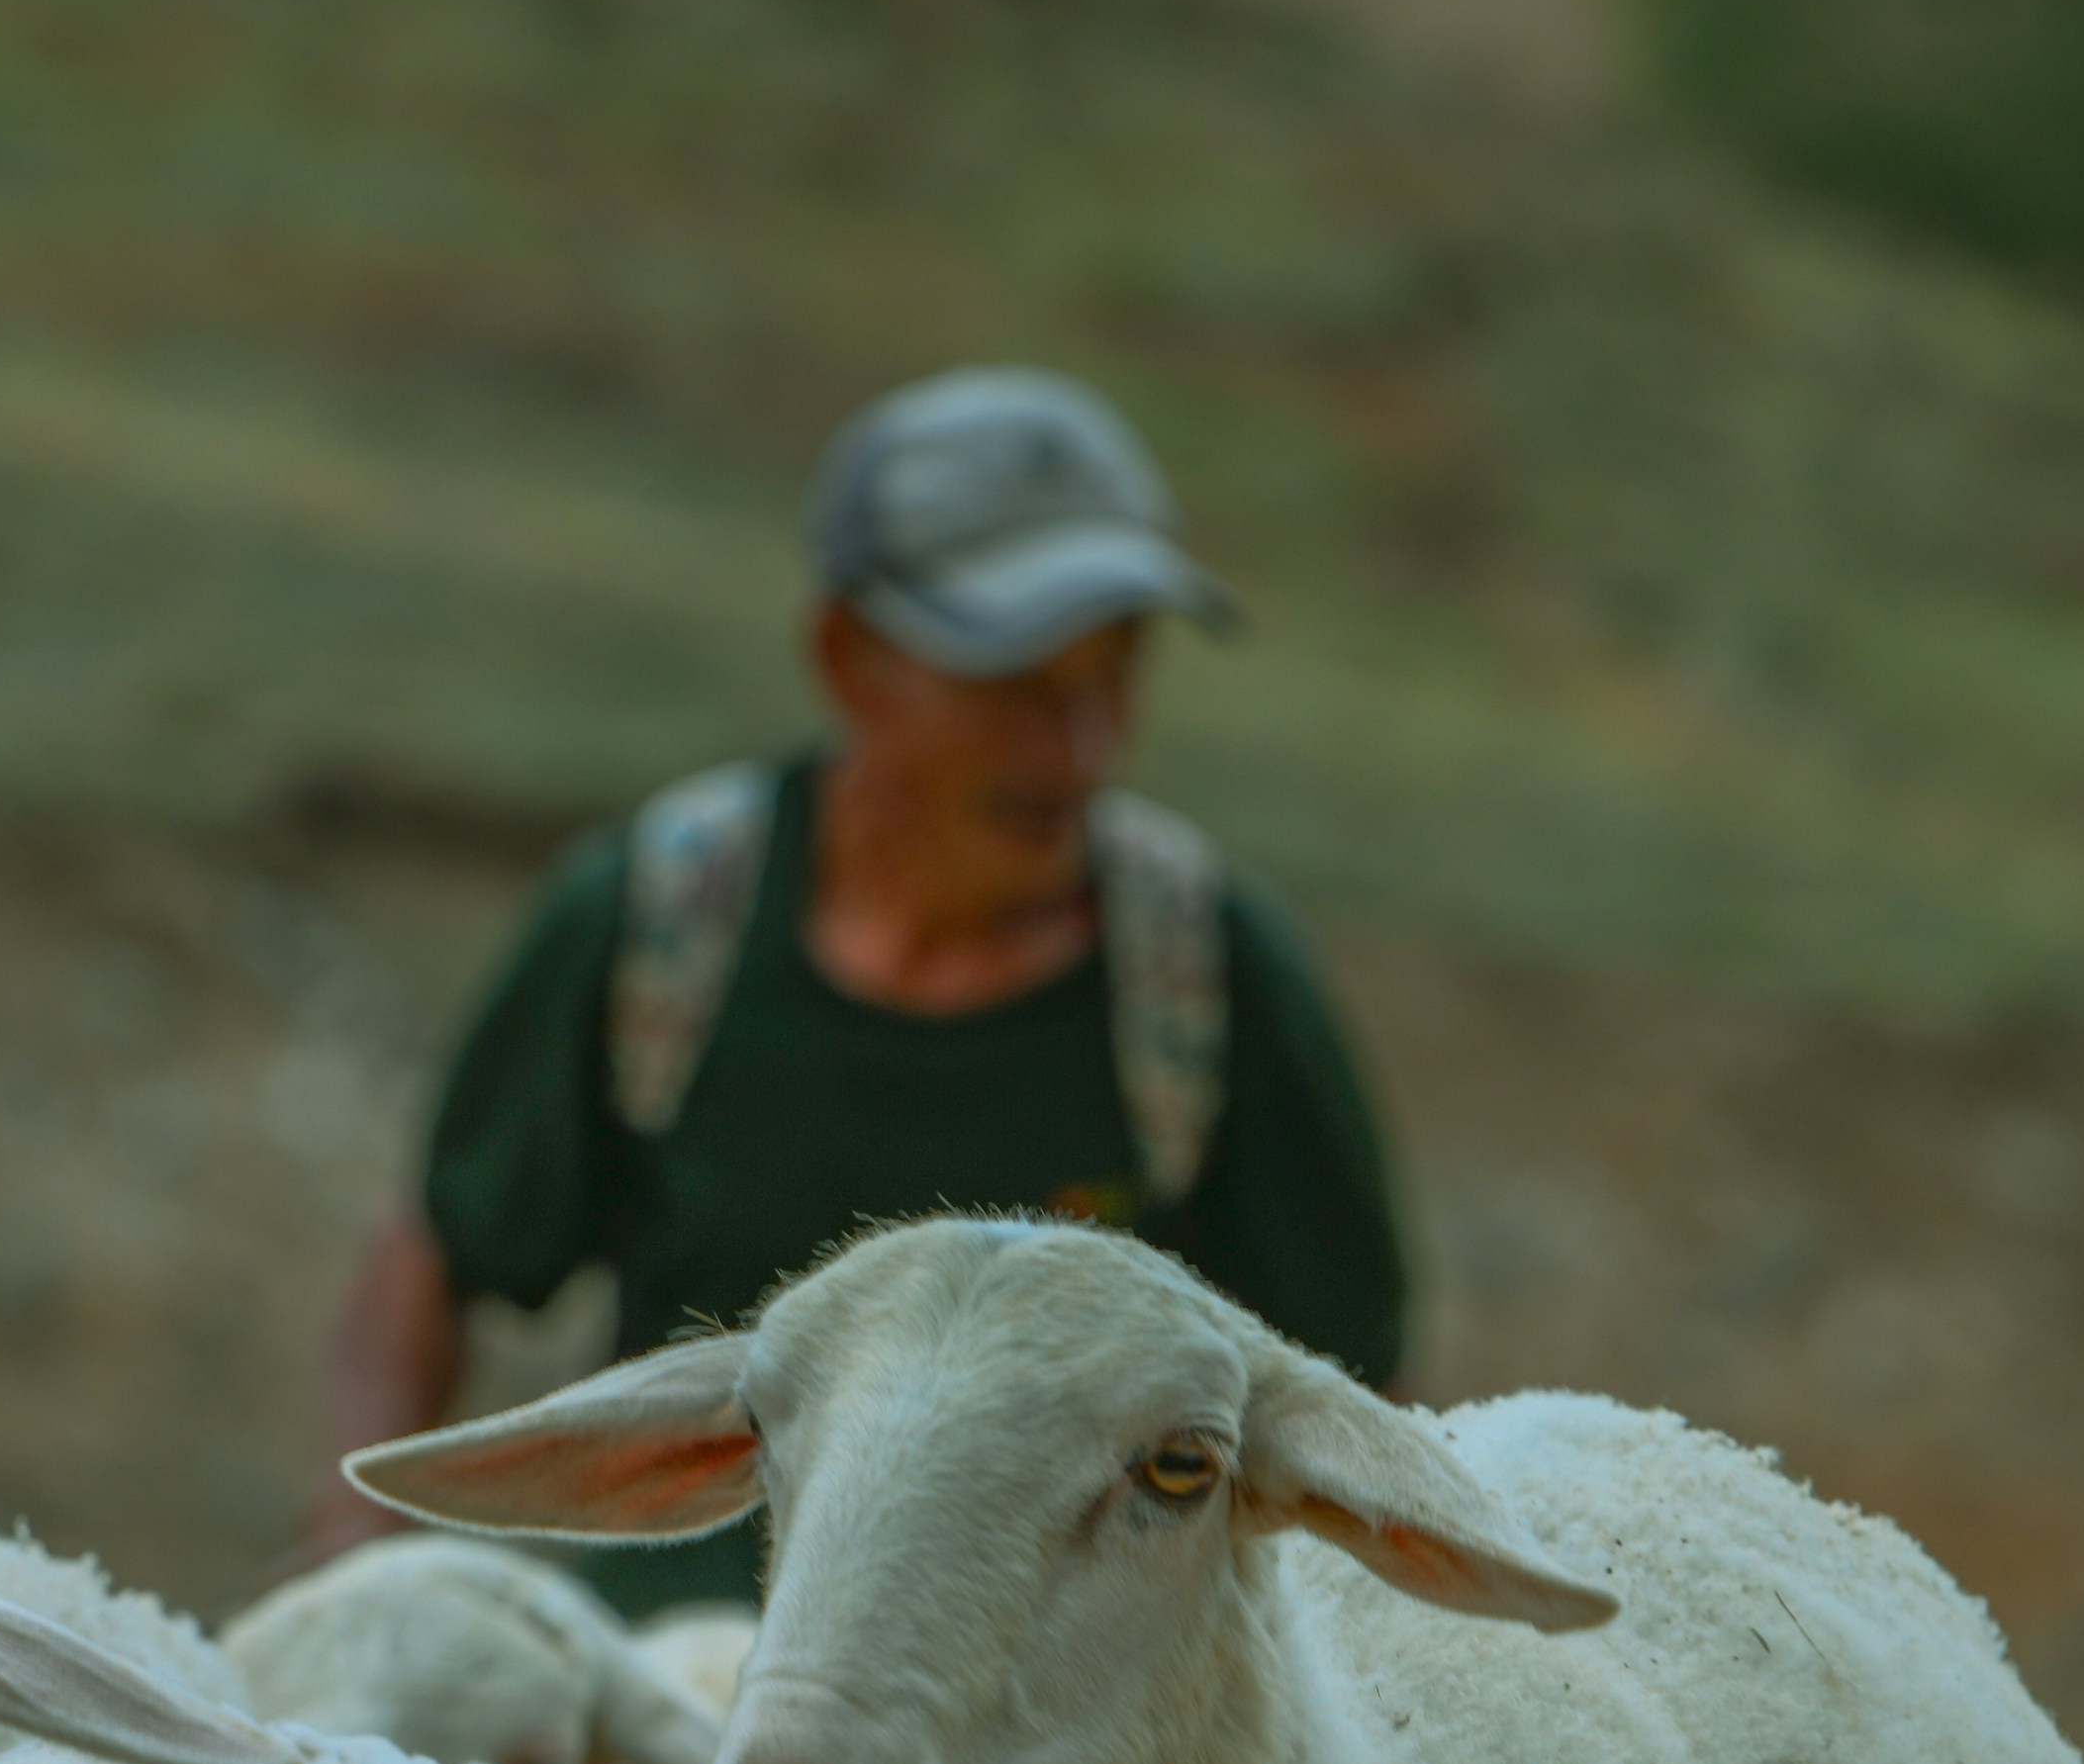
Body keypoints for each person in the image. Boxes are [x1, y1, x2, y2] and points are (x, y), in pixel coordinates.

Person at [313, 367, 1413, 1606]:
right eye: (1020, 685)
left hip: (1045, 1756)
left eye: (1116, 676)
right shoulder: (663, 924)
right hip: (673, 1712)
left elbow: (1360, 1401)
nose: (1082, 746)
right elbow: (437, 1249)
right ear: (847, 658)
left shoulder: (1206, 984)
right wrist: (359, 1564)